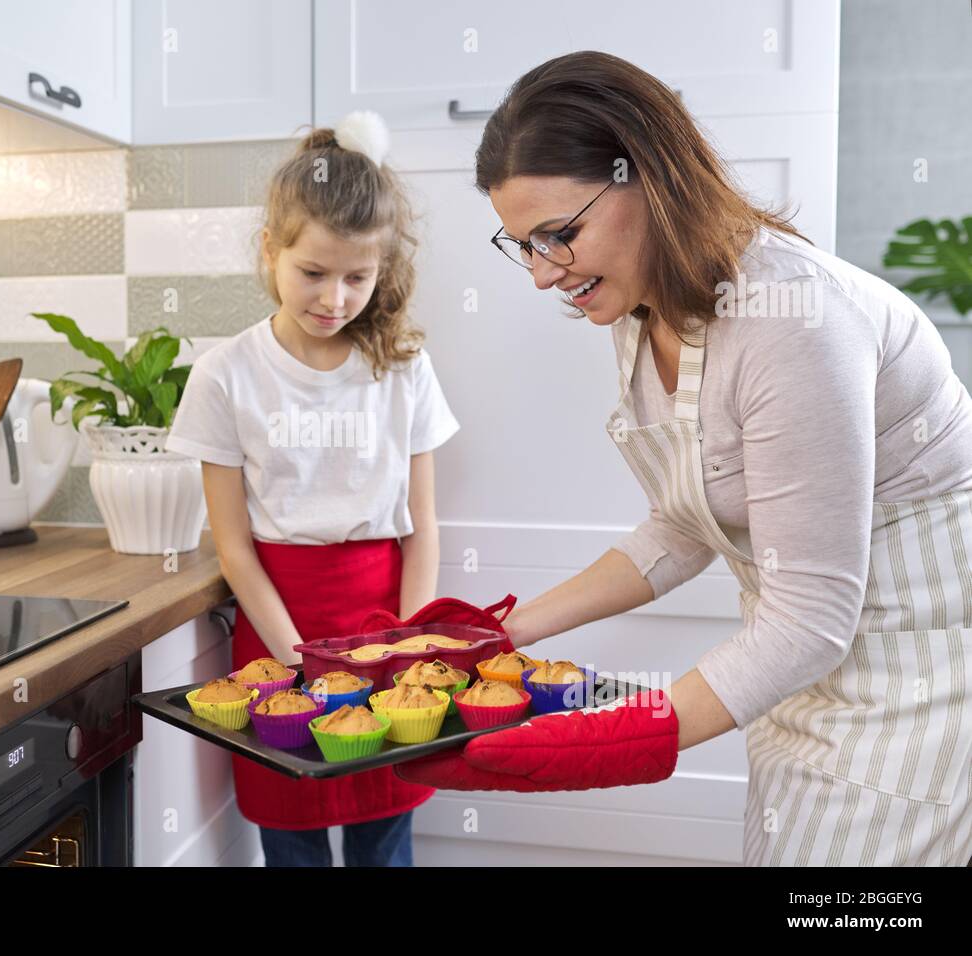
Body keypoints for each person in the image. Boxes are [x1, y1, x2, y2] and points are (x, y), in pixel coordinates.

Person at [398, 51, 972, 867]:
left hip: (917, 684)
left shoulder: (792, 322)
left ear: (651, 176)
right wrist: (501, 633)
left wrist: (622, 740)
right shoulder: (642, 311)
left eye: (560, 236)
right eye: (523, 245)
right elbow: (682, 521)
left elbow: (810, 615)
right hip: (798, 678)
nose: (541, 275)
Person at [166, 111, 460, 867]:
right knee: (291, 835)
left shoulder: (403, 369)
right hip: (278, 627)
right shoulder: (224, 375)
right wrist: (299, 659)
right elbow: (233, 544)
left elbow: (422, 529)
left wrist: (408, 639)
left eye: (358, 277)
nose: (335, 299)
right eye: (313, 273)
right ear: (271, 252)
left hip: (386, 620)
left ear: (382, 267)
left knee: (384, 831)